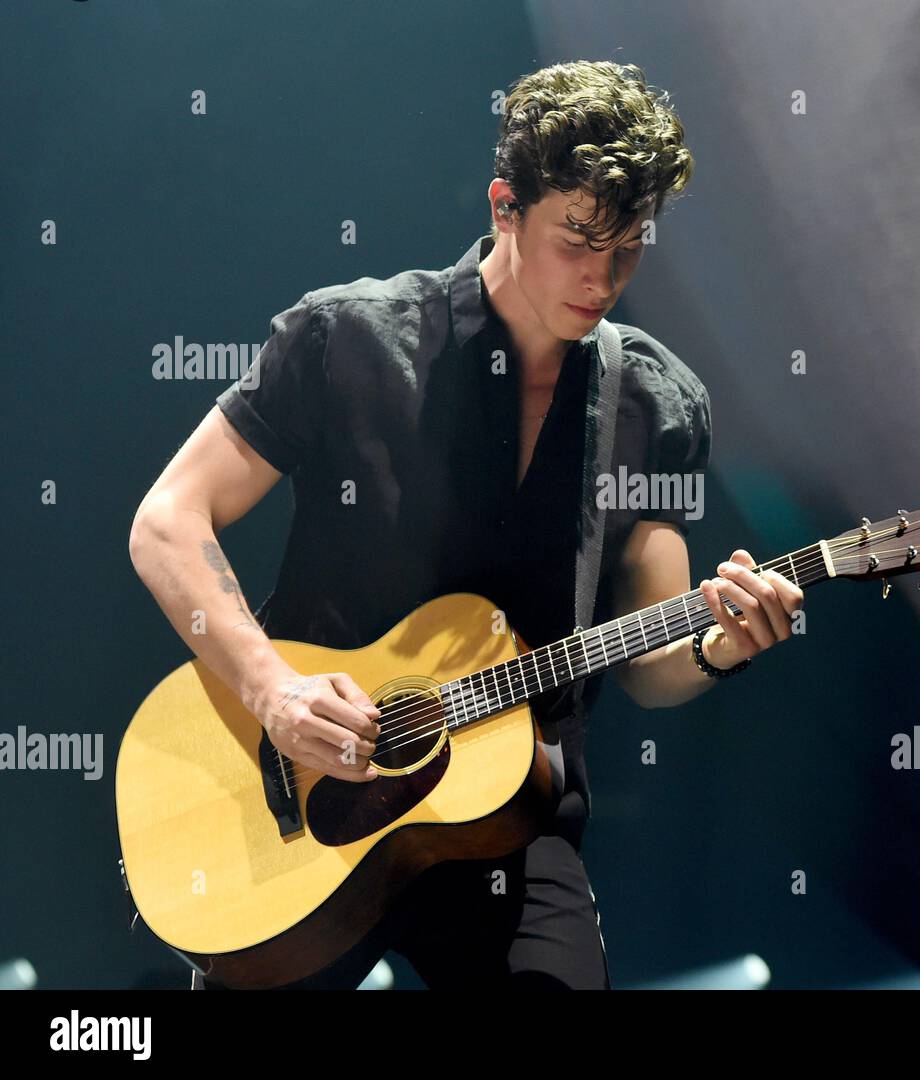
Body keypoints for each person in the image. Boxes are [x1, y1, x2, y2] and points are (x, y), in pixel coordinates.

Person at [128, 60, 804, 990]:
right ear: (504, 207)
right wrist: (276, 695)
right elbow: (167, 520)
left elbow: (652, 663)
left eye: (631, 246)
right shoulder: (349, 339)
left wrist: (722, 647)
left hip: (509, 829)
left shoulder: (654, 404)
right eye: (578, 238)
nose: (604, 277)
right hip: (304, 796)